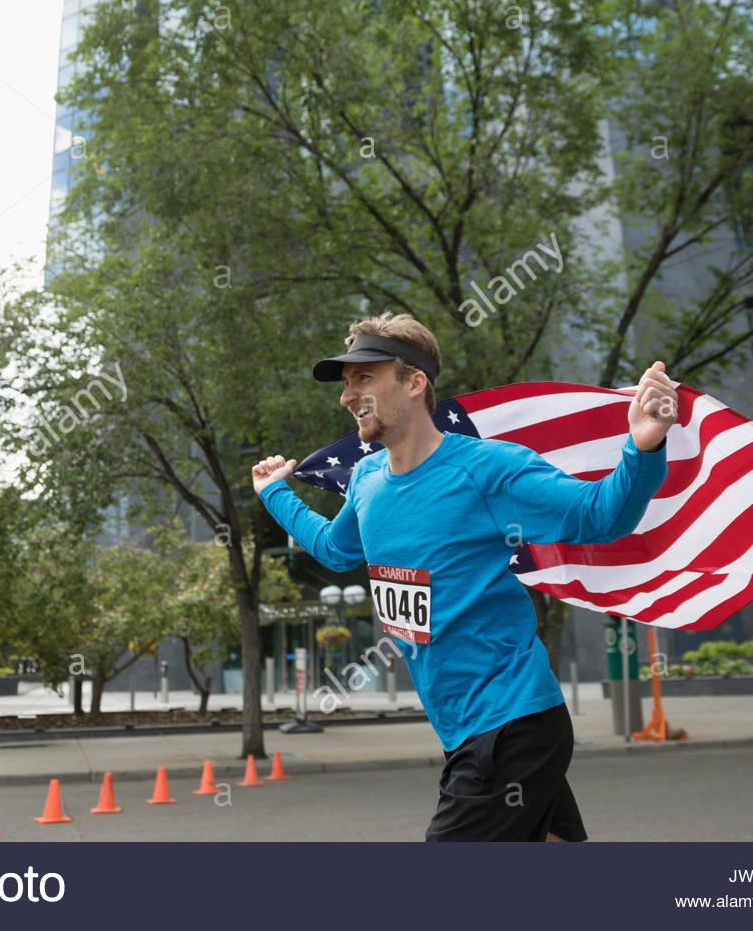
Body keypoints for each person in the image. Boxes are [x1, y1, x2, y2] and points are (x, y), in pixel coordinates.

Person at [251, 312, 677, 841]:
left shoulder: (488, 469)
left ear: (414, 382)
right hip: (465, 728)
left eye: (363, 377)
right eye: (344, 384)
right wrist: (275, 493)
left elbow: (599, 515)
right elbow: (336, 551)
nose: (347, 396)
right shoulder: (366, 480)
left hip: (510, 725)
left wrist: (643, 446)